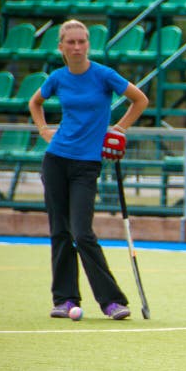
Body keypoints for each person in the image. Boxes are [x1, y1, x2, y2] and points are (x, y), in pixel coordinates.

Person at [28, 19, 149, 320]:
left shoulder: (104, 75)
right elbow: (35, 102)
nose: (77, 47)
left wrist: (119, 129)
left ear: (88, 45)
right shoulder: (57, 77)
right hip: (56, 160)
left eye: (82, 41)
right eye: (71, 42)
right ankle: (64, 299)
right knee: (60, 231)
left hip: (87, 165)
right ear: (62, 47)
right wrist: (44, 130)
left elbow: (140, 99)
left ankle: (112, 302)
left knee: (82, 233)